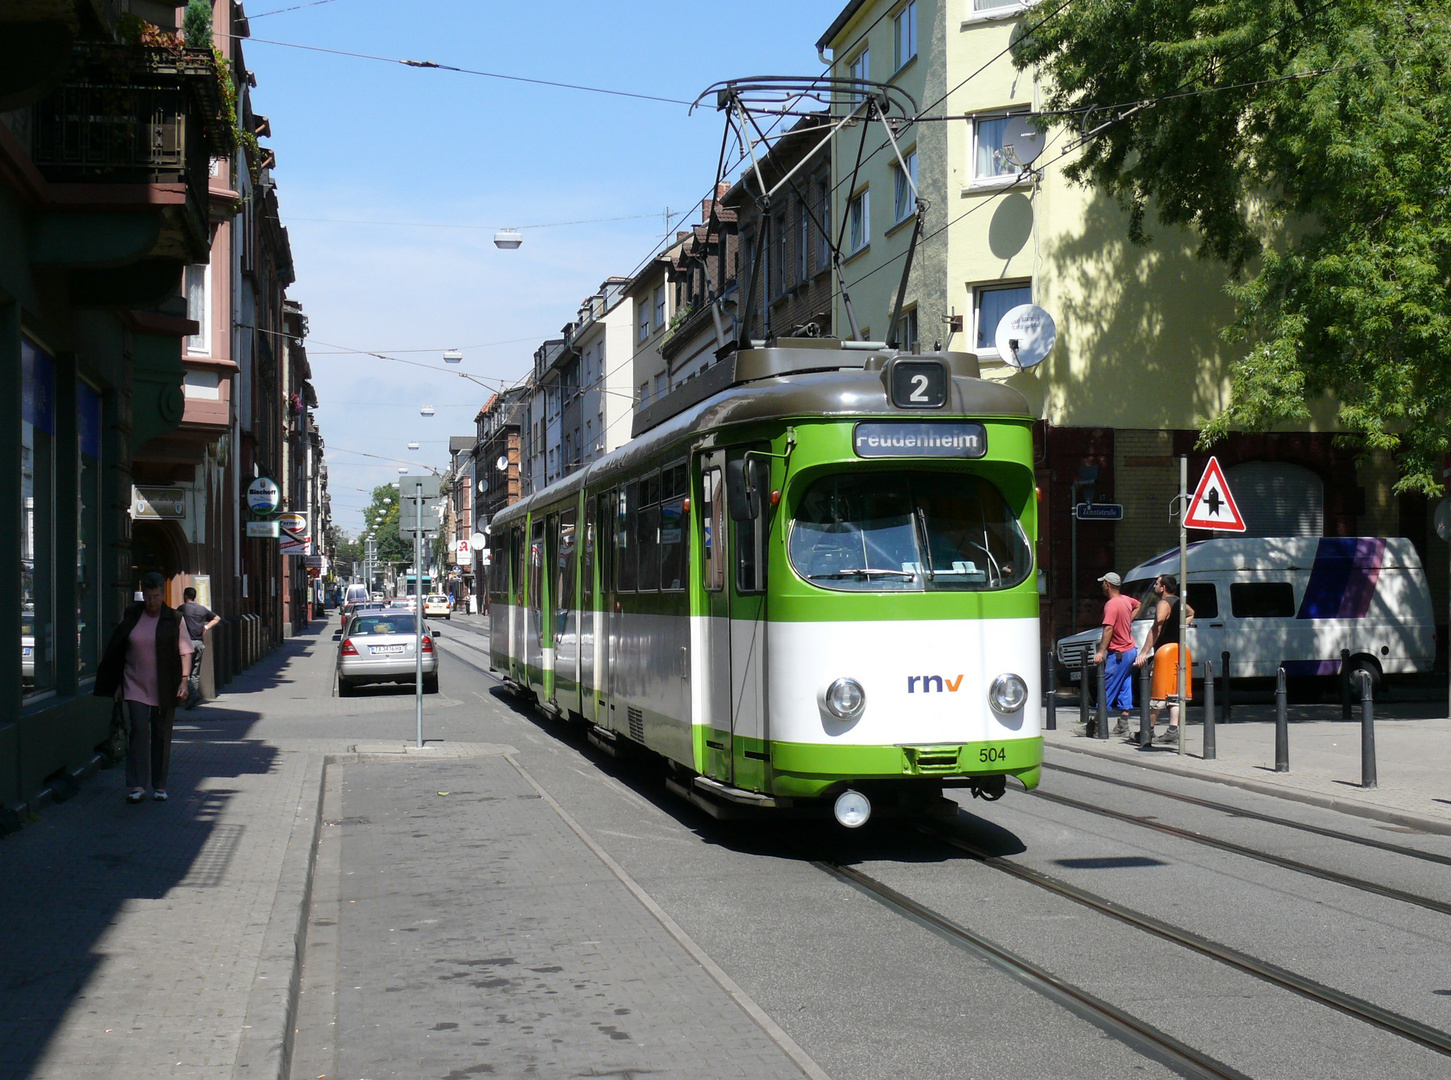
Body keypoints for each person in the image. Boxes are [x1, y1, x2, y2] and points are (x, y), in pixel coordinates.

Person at [95, 573, 193, 803]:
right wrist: (117, 684)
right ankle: (137, 785)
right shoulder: (132, 615)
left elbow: (186, 651)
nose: (151, 602)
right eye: (148, 597)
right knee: (139, 730)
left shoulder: (174, 618)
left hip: (165, 685)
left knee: (161, 734)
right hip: (134, 683)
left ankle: (159, 785)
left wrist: (184, 679)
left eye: (156, 596)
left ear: (163, 594)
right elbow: (119, 649)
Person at [1134, 574, 1195, 745]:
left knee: (1157, 692)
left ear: (1164, 588)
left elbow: (1157, 627)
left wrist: (1144, 652)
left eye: (1157, 584)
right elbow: (1191, 613)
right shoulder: (1179, 602)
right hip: (1177, 651)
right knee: (1174, 693)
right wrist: (1181, 627)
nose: (1154, 586)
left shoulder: (1163, 603)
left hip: (1163, 654)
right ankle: (1172, 731)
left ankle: (1148, 731)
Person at [1091, 571, 1139, 736]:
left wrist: (1100, 652)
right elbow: (1138, 605)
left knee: (1106, 687)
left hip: (1118, 653)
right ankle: (1123, 724)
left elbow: (1108, 629)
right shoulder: (1125, 600)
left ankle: (1096, 725)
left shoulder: (1111, 604)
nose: (1101, 586)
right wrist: (1128, 620)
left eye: (1103, 583)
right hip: (1130, 650)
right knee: (1125, 686)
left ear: (1108, 585)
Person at [178, 586, 222, 709]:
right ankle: (193, 698)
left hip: (187, 644)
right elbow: (217, 618)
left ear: (185, 596)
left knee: (183, 672)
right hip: (199, 643)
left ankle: (191, 695)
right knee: (195, 674)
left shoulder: (183, 608)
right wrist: (206, 627)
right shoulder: (202, 609)